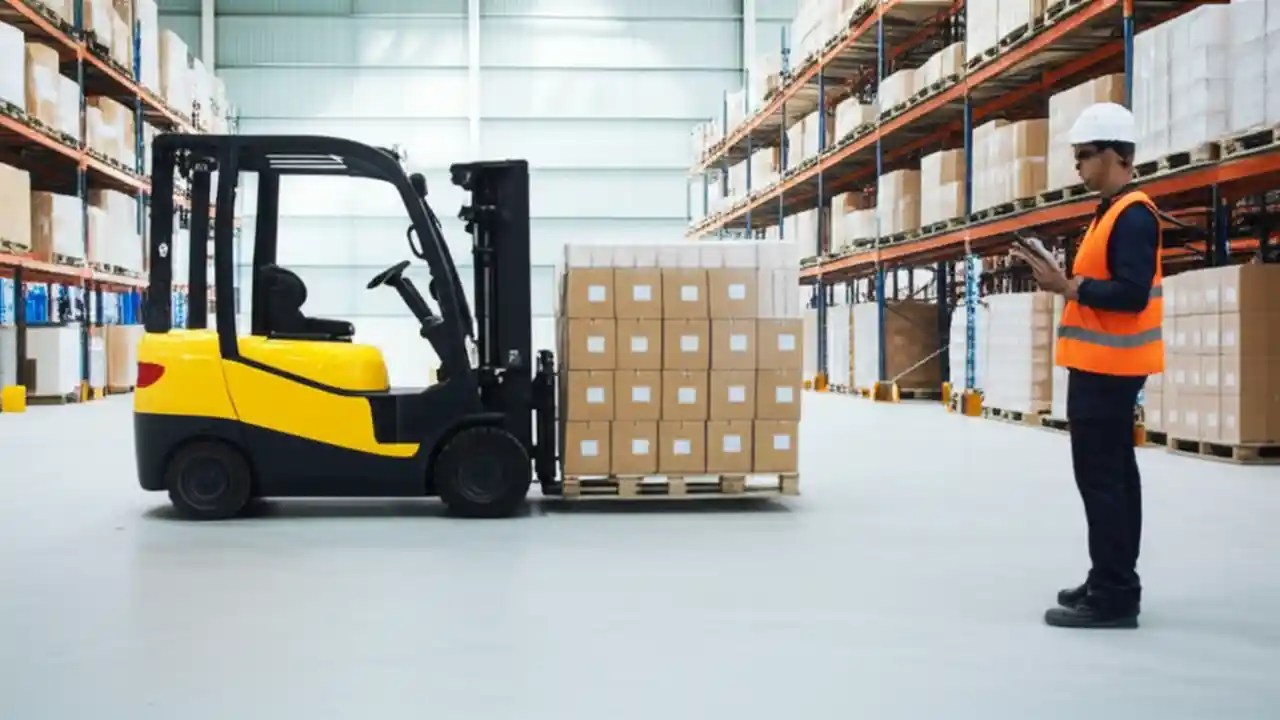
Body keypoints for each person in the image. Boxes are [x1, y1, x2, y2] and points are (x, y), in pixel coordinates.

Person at [1010, 102, 1163, 630]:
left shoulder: (1134, 215)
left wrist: (1067, 285)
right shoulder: (1109, 211)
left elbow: (1132, 293)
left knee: (1104, 481)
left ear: (1117, 155)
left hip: (1110, 370)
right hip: (1099, 366)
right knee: (1110, 478)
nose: (1077, 164)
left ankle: (1115, 595)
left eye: (1085, 154)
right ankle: (1109, 577)